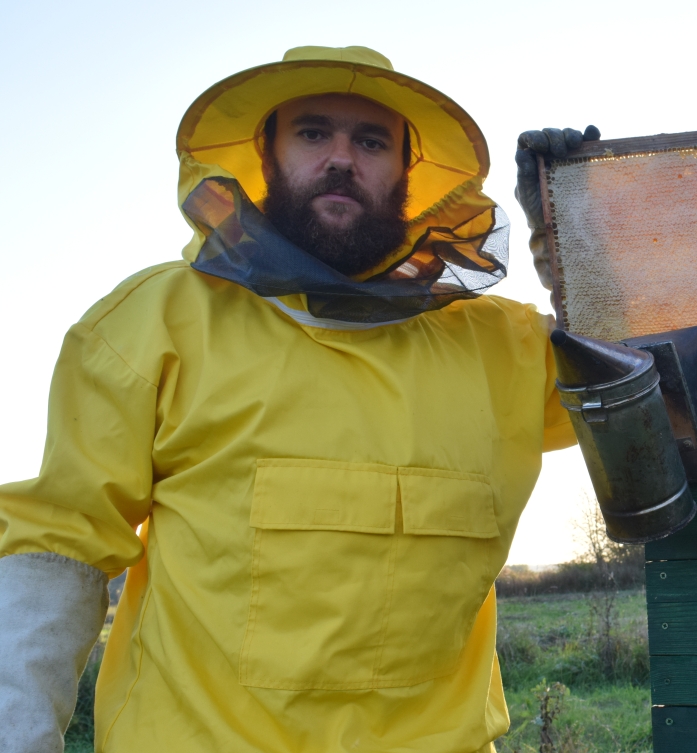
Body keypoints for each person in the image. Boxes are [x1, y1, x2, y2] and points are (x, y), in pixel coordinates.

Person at [0, 45, 598, 753]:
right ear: (268, 155)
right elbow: (55, 553)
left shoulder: (508, 348)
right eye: (314, 133)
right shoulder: (150, 325)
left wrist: (583, 243)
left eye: (371, 141)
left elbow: (647, 402)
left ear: (408, 173)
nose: (342, 158)